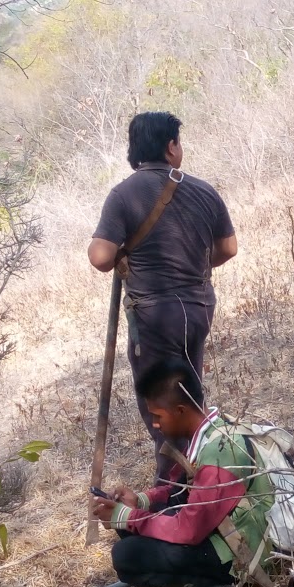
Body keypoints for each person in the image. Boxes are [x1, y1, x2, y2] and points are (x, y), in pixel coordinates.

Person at [88, 112, 238, 481]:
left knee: (162, 406)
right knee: (189, 396)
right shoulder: (204, 190)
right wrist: (194, 267)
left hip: (154, 318)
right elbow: (228, 249)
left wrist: (126, 252)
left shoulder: (123, 194)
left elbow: (100, 257)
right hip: (199, 309)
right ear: (171, 147)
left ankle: (173, 486)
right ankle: (204, 472)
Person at [87, 358, 270, 587]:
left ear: (181, 410)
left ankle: (221, 584)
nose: (156, 424)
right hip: (223, 529)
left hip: (243, 551)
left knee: (127, 555)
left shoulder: (220, 455)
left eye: (158, 416)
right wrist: (141, 501)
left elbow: (189, 529)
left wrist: (128, 516)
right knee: (128, 525)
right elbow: (178, 490)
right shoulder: (210, 431)